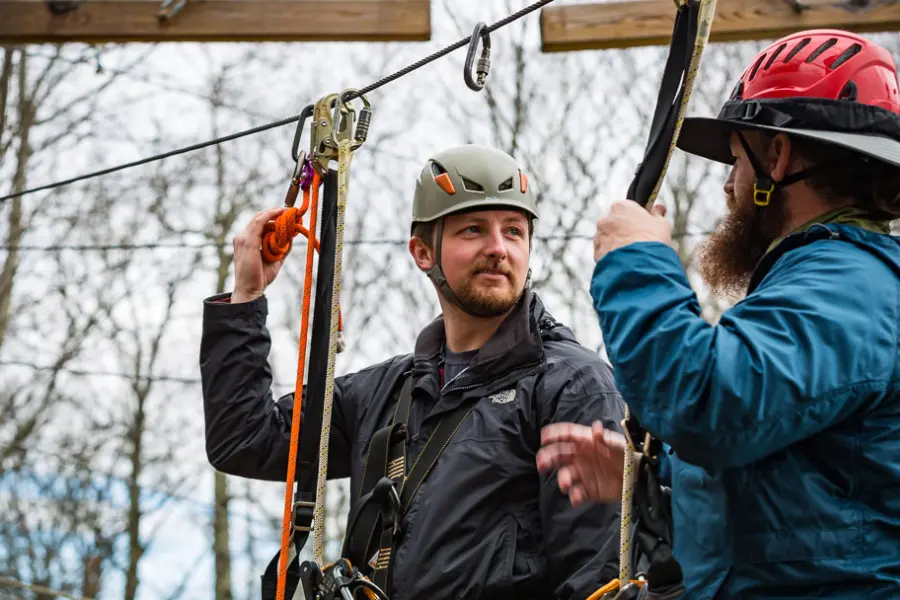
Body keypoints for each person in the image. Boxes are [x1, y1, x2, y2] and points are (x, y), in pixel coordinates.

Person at [537, 28, 900, 598]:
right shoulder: (843, 283)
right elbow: (796, 484)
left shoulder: (849, 285)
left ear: (777, 156)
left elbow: (707, 403)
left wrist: (637, 261)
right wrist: (658, 477)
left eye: (735, 160)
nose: (729, 185)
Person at [200, 144, 626, 600]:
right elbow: (245, 439)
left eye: (514, 232)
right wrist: (245, 299)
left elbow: (598, 577)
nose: (498, 248)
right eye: (473, 230)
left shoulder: (571, 384)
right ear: (423, 252)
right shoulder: (386, 392)